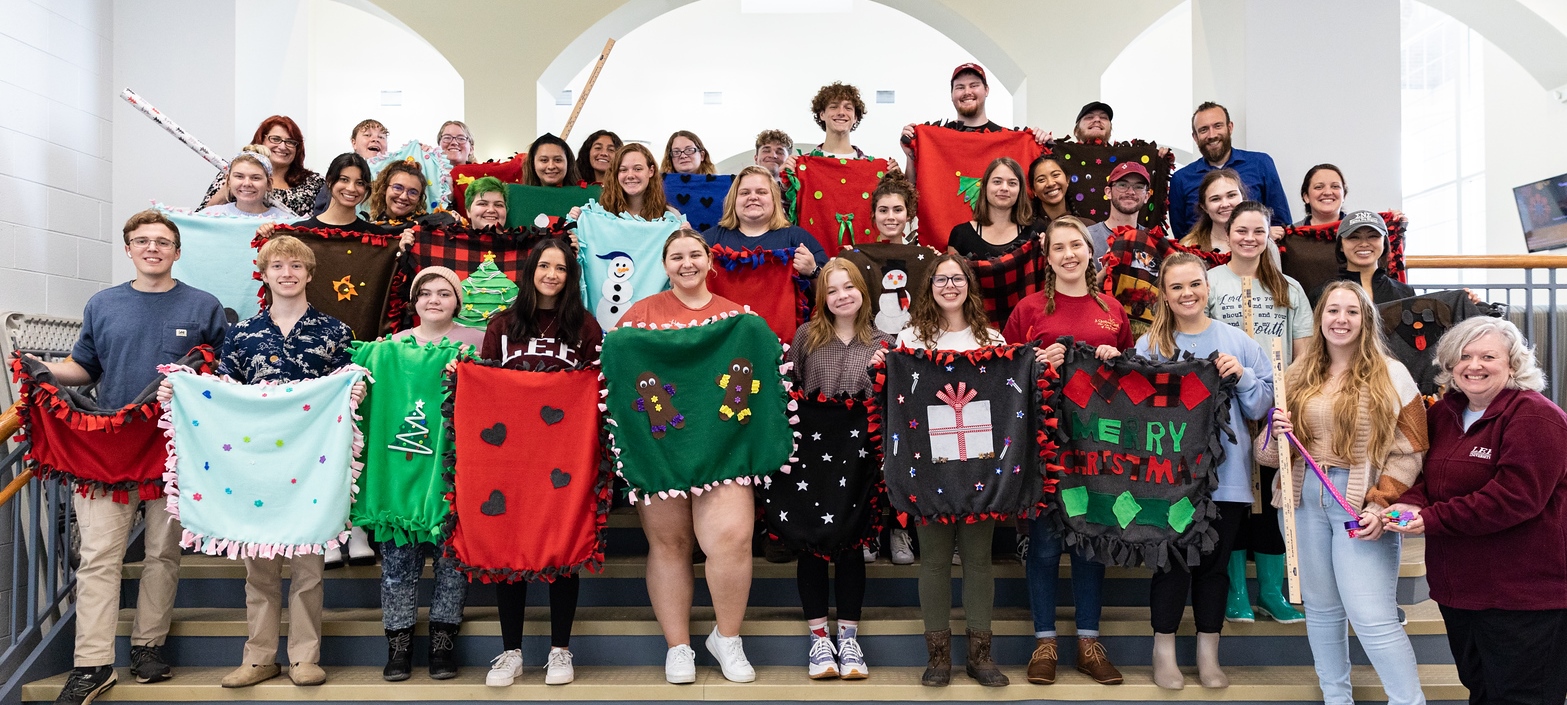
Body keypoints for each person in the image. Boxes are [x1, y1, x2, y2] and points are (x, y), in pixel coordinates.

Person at [44, 211, 227, 705]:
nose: (153, 249)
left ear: (177, 250)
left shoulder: (203, 305)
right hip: (111, 448)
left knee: (163, 554)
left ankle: (148, 646)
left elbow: (222, 377)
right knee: (98, 557)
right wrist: (42, 372)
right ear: (128, 248)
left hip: (175, 450)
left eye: (163, 242)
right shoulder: (103, 304)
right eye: (142, 241)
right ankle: (92, 665)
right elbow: (83, 368)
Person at [169, 234, 363, 689]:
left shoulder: (335, 332)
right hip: (254, 465)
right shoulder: (241, 335)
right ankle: (258, 657)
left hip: (311, 464)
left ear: (310, 275)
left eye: (296, 267)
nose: (288, 274)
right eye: (278, 266)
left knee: (309, 567)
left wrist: (355, 389)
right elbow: (222, 395)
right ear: (265, 273)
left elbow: (346, 391)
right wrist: (179, 391)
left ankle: (304, 657)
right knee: (259, 565)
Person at [1259, 281, 1428, 705]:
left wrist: (1381, 503)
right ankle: (1337, 699)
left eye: (1351, 311)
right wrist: (1272, 433)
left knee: (1373, 617)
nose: (1341, 320)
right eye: (1332, 311)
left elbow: (1410, 452)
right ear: (1319, 319)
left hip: (1359, 505)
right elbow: (1267, 458)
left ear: (1365, 319)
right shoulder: (1296, 374)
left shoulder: (1393, 375)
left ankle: (1409, 702)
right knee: (1321, 611)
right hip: (1300, 501)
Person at [1387, 317, 1567, 705]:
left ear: (1513, 365)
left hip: (1523, 598)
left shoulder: (1536, 416)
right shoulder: (1441, 415)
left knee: (1523, 698)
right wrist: (1405, 505)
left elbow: (1514, 498)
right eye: (1464, 356)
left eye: (1488, 356)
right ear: (1450, 366)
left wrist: (1431, 519)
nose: (1475, 365)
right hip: (1460, 592)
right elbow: (1427, 481)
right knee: (1482, 691)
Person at [616, 230, 758, 685]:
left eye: (694, 254)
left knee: (732, 539)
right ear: (664, 265)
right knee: (670, 544)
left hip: (723, 449)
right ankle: (678, 647)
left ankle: (728, 639)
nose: (686, 263)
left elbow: (753, 379)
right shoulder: (641, 315)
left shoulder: (735, 318)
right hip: (660, 448)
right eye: (676, 256)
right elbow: (621, 375)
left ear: (709, 260)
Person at [868, 254, 1008, 687]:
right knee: (932, 561)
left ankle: (981, 657)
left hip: (980, 461)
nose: (950, 285)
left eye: (958, 278)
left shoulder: (992, 336)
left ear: (970, 284)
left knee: (978, 560)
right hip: (928, 463)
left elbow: (1007, 397)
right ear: (929, 287)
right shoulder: (911, 338)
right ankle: (939, 657)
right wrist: (883, 365)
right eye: (941, 279)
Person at [1000, 217, 1129, 686]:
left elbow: (1131, 382)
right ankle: (1044, 643)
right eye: (1060, 247)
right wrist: (1034, 363)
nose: (1069, 254)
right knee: (1046, 542)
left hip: (1098, 445)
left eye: (1077, 245)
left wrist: (1118, 362)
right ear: (1047, 256)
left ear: (1091, 252)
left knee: (1090, 538)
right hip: (1045, 443)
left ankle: (1089, 644)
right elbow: (1006, 378)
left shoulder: (1112, 309)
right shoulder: (1028, 309)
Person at [1134, 252, 1272, 690]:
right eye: (1176, 287)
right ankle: (1165, 653)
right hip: (1168, 479)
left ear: (1207, 288)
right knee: (1172, 562)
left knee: (1213, 567)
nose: (1187, 293)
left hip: (1227, 478)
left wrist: (1245, 377)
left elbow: (1261, 406)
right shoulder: (1149, 347)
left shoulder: (1239, 342)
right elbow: (1133, 410)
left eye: (1194, 284)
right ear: (1165, 295)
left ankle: (1208, 654)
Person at [478, 239, 604, 687]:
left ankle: (560, 651)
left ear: (571, 278)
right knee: (511, 545)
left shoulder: (584, 326)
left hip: (563, 457)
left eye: (561, 269)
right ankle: (510, 651)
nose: (551, 274)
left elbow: (597, 390)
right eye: (544, 266)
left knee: (561, 544)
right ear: (530, 270)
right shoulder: (503, 324)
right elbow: (486, 385)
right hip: (509, 455)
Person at [1203, 201, 1313, 627]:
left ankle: (1271, 591)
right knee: (1232, 499)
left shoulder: (1288, 288)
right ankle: (1235, 593)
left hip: (1275, 407)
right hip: (1225, 409)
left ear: (1269, 236)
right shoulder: (1210, 282)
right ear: (1227, 234)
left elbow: (1303, 351)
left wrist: (1289, 399)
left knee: (1272, 501)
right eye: (1241, 231)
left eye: (1258, 232)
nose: (1249, 239)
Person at [786, 259, 890, 680]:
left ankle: (848, 637)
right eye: (832, 290)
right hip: (812, 457)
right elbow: (787, 391)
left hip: (860, 458)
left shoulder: (885, 340)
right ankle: (818, 639)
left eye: (849, 287)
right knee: (811, 543)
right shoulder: (806, 338)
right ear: (821, 298)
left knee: (850, 543)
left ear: (863, 292)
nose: (842, 295)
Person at [376, 268, 476, 683]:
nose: (434, 300)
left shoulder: (477, 341)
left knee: (452, 564)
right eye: (425, 293)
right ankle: (399, 646)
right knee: (398, 565)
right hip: (402, 472)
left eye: (444, 293)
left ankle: (442, 642)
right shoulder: (390, 348)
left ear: (458, 300)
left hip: (456, 471)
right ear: (414, 301)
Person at [898, 63, 1050, 183]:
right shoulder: (932, 141)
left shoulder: (1010, 140)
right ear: (951, 95)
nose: (967, 92)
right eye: (960, 87)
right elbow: (911, 196)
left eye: (974, 85)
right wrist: (910, 156)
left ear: (986, 90)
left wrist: (1040, 143)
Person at [1170, 102, 1292, 236]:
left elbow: (1281, 223)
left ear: (1230, 127)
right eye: (1204, 130)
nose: (1212, 135)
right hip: (1202, 255)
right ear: (1195, 137)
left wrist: (1264, 234)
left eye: (1217, 126)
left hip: (1256, 252)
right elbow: (1181, 237)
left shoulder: (1260, 164)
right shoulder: (1181, 179)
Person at [702, 165, 826, 277]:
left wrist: (813, 271)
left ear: (774, 200)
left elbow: (827, 292)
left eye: (761, 192)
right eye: (745, 193)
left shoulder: (797, 238)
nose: (753, 197)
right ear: (733, 200)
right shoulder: (709, 240)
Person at [201, 116, 323, 217]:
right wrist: (228, 188)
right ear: (261, 140)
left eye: (290, 142)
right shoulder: (232, 174)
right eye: (275, 139)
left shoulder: (314, 182)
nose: (282, 146)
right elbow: (202, 217)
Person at [1309, 210, 1414, 306]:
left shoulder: (1405, 293)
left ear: (1385, 243)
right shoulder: (1321, 294)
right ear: (1341, 245)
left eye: (1373, 236)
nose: (1364, 244)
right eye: (1354, 237)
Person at [946, 157, 1035, 259]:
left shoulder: (1036, 233)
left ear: (1020, 190)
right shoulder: (961, 235)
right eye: (997, 182)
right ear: (984, 187)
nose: (1004, 188)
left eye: (1012, 183)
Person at [198, 145, 299, 219]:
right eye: (239, 176)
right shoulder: (208, 216)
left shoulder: (285, 221)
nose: (246, 183)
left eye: (255, 178)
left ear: (269, 183)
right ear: (228, 181)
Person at [1083, 162, 1151, 259]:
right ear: (1108, 192)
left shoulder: (1156, 242)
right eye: (1122, 185)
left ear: (1146, 196)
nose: (1130, 192)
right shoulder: (1086, 238)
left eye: (1138, 187)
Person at [596, 144, 675, 220]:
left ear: (651, 171)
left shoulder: (671, 217)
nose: (630, 175)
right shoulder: (599, 215)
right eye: (623, 170)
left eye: (637, 169)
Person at [368, 158, 452, 227]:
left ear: (419, 199)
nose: (403, 197)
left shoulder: (426, 227)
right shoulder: (369, 229)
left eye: (413, 192)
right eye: (398, 188)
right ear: (384, 189)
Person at [1180, 168, 1246, 254]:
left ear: (1243, 197)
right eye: (1215, 199)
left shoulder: (1260, 241)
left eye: (1231, 195)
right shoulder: (1190, 247)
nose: (1225, 204)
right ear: (1204, 207)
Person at [870, 177, 918, 245]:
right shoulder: (856, 254)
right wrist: (850, 254)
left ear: (908, 214)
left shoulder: (921, 254)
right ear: (874, 215)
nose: (890, 217)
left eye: (898, 210)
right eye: (883, 211)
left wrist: (931, 255)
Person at [1028, 155, 1073, 222]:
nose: (1050, 184)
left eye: (1055, 175)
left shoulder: (1087, 227)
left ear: (1067, 180)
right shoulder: (1023, 229)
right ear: (1033, 190)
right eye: (1041, 180)